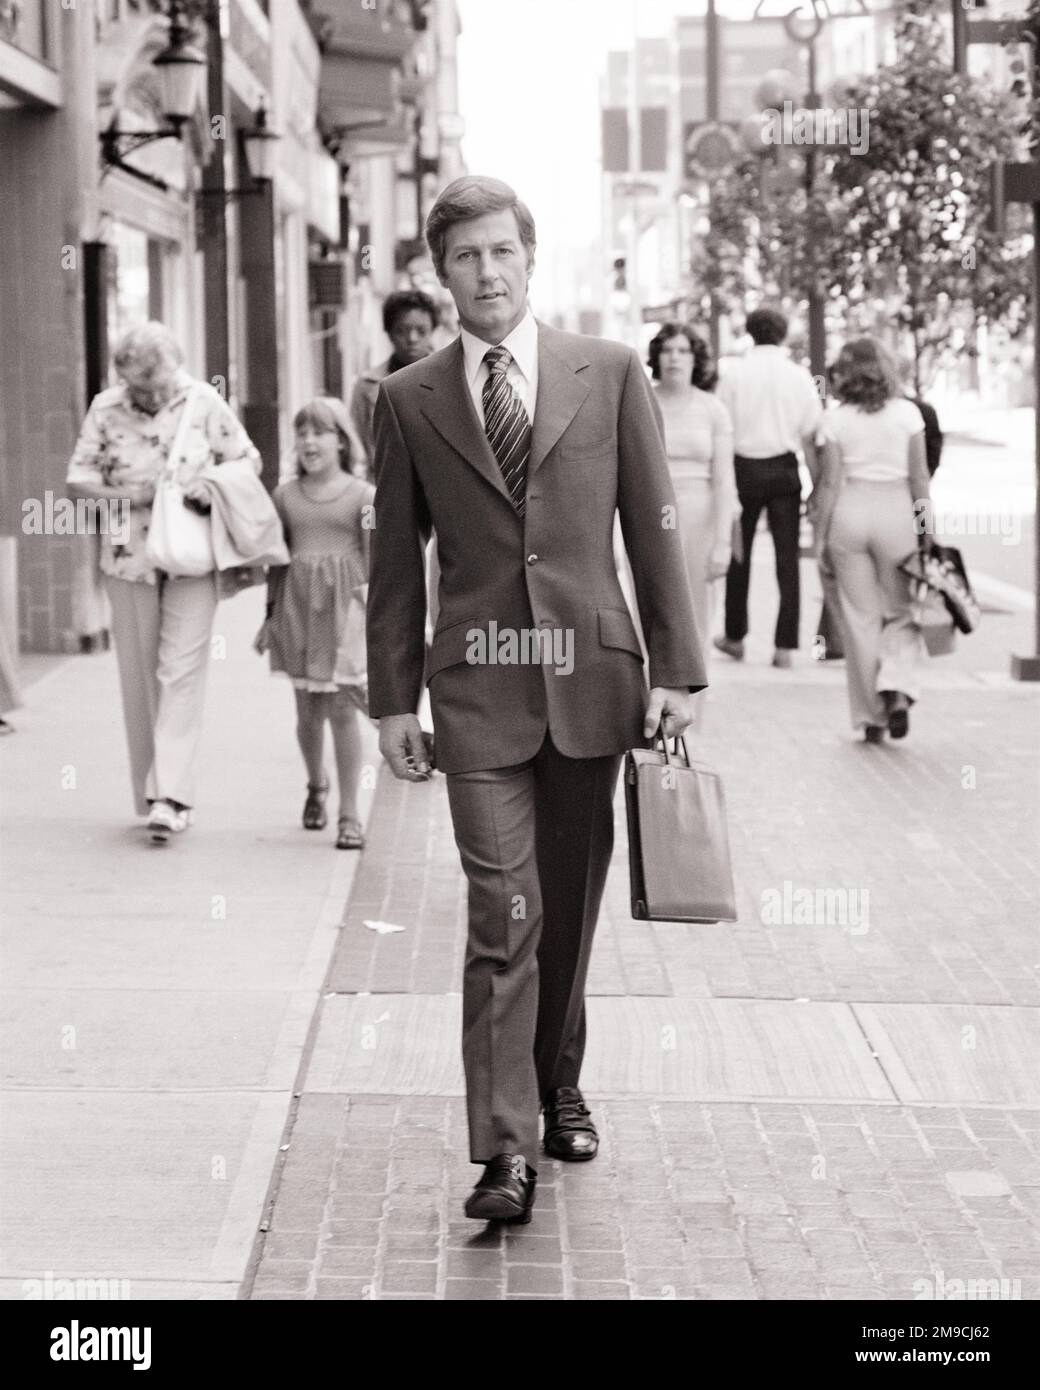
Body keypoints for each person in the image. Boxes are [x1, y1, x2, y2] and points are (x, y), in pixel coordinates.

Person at [367, 175, 704, 1226]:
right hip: (473, 694)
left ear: (529, 255)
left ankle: (558, 1080)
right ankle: (503, 1150)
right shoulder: (407, 397)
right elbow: (390, 564)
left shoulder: (604, 373)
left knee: (563, 910)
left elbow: (651, 526)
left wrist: (679, 671)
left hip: (591, 683)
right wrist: (389, 700)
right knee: (498, 913)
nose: (485, 272)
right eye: (464, 257)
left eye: (500, 252)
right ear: (440, 272)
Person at [66, 321, 260, 842]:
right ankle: (151, 791)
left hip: (193, 558)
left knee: (180, 672)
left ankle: (171, 795)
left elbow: (246, 458)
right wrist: (134, 497)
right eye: (141, 388)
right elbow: (77, 482)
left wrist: (207, 484)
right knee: (139, 675)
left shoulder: (201, 402)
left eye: (160, 386)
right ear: (124, 379)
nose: (152, 396)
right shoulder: (106, 408)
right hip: (129, 560)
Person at [255, 398, 374, 850]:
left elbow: (374, 560)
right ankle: (315, 785)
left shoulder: (364, 496)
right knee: (307, 713)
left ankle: (349, 813)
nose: (308, 441)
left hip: (347, 615)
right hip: (298, 610)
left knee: (344, 710)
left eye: (319, 432)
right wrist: (268, 618)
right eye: (301, 433)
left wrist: (375, 626)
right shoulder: (285, 496)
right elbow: (276, 562)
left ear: (341, 441)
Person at [812, 337, 930, 742]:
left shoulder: (837, 418)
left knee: (859, 619)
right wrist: (927, 529)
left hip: (850, 513)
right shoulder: (908, 415)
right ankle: (896, 687)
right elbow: (919, 478)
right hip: (897, 514)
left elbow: (828, 483)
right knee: (901, 612)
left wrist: (820, 538)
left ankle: (870, 718)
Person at [715, 306, 823, 668]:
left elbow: (722, 431)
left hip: (742, 469)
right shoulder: (799, 376)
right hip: (784, 469)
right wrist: (816, 485)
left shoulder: (733, 375)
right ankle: (784, 646)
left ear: (750, 332)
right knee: (787, 559)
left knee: (738, 555)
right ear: (782, 333)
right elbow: (811, 436)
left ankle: (734, 636)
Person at [649, 321, 737, 700]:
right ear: (657, 356)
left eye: (683, 350)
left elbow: (725, 482)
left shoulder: (712, 409)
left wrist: (723, 544)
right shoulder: (643, 400)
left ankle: (690, 704)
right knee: (648, 607)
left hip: (700, 515)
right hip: (651, 513)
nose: (674, 358)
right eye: (668, 350)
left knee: (696, 612)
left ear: (695, 358)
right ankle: (650, 695)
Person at [349, 289, 439, 464]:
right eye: (402, 331)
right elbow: (356, 445)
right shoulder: (366, 385)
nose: (412, 338)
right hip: (382, 484)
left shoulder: (454, 380)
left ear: (432, 331)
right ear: (389, 333)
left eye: (421, 331)